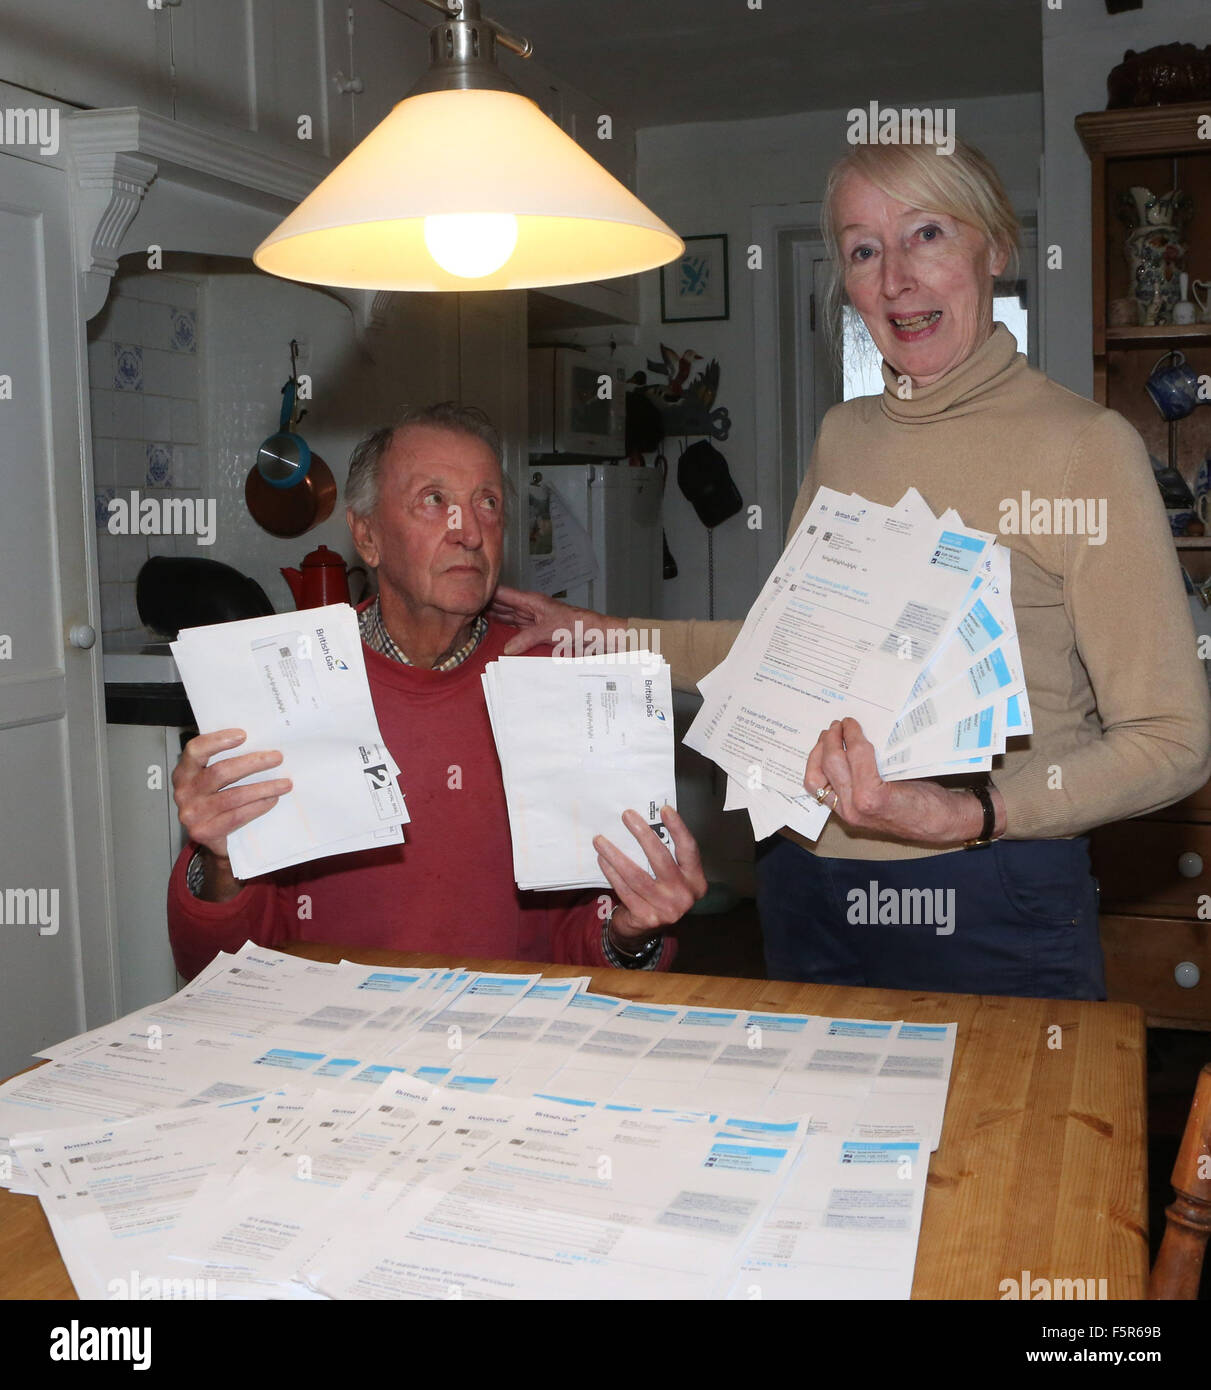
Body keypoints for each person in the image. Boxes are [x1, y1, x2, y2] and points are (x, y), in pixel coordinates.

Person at [491, 138, 1211, 1001]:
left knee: (998, 1138)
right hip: (804, 880)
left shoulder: (1086, 450)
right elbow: (786, 663)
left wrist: (970, 815)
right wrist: (601, 635)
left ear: (993, 247)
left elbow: (1172, 741)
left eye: (927, 235)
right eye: (864, 250)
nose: (895, 280)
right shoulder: (845, 434)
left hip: (986, 889)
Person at [167, 403, 706, 980]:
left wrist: (631, 932)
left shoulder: (560, 683)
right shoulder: (293, 686)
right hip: (335, 1041)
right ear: (367, 536)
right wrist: (221, 861)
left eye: (488, 502)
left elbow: (592, 944)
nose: (469, 531)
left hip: (513, 1037)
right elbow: (211, 968)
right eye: (434, 499)